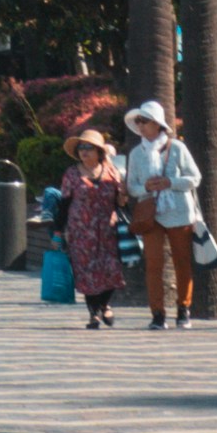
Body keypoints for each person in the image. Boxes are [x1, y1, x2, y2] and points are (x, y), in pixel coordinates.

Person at [117, 100, 207, 331]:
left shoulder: (177, 148)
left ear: (157, 124)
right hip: (151, 214)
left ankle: (183, 310)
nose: (140, 125)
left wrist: (170, 182)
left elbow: (194, 178)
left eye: (143, 121)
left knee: (182, 262)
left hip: (180, 212)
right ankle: (157, 314)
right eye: (138, 121)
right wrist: (147, 187)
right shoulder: (136, 153)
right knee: (153, 264)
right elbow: (133, 186)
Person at [61, 125, 130, 332]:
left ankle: (105, 304)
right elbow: (64, 203)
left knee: (111, 269)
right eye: (81, 147)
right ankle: (94, 314)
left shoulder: (111, 171)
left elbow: (121, 201)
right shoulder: (72, 174)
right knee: (86, 273)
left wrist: (123, 193)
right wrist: (59, 229)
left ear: (99, 151)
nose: (84, 151)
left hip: (108, 229)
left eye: (89, 148)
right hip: (81, 230)